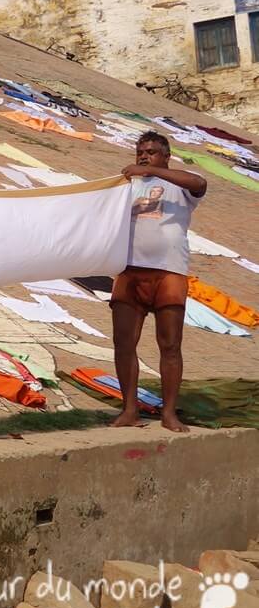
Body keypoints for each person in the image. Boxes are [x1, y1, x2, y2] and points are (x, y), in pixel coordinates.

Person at [110, 131, 206, 432]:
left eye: (151, 152)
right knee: (124, 343)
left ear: (166, 155)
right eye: (140, 151)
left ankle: (169, 413)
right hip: (130, 271)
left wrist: (151, 171)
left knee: (170, 345)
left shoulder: (180, 186)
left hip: (169, 272)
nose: (143, 156)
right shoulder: (128, 185)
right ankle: (129, 410)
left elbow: (200, 184)